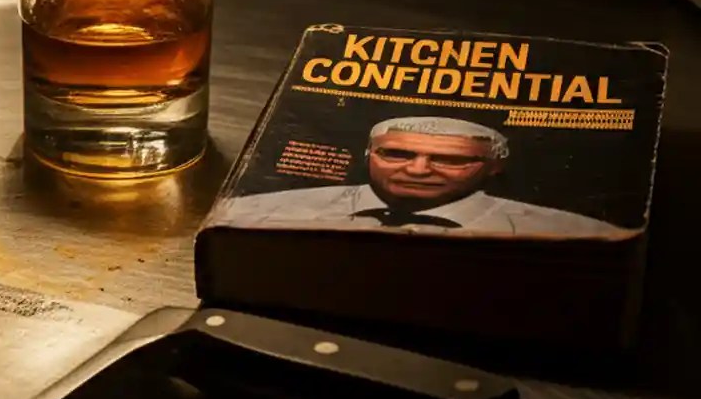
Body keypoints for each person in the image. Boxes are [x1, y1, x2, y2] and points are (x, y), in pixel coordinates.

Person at [212, 116, 625, 236]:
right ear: (369, 154)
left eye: (451, 160)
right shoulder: (251, 214)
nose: (418, 170)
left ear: (495, 167)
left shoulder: (576, 236)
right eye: (396, 154)